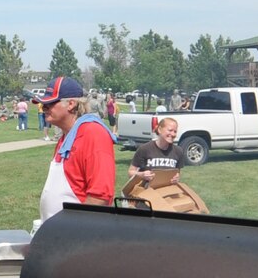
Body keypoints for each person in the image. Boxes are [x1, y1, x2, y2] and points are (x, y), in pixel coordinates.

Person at [34, 75, 115, 226]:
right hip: (57, 233)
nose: (44, 108)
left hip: (78, 233)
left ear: (71, 104)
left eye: (50, 104)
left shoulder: (93, 134)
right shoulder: (66, 137)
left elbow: (100, 196)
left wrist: (74, 231)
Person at [129, 115, 184, 181]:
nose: (173, 134)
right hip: (148, 186)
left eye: (175, 131)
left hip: (168, 187)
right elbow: (130, 172)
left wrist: (176, 178)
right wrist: (142, 175)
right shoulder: (144, 149)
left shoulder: (178, 151)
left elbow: (177, 173)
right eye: (170, 130)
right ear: (159, 129)